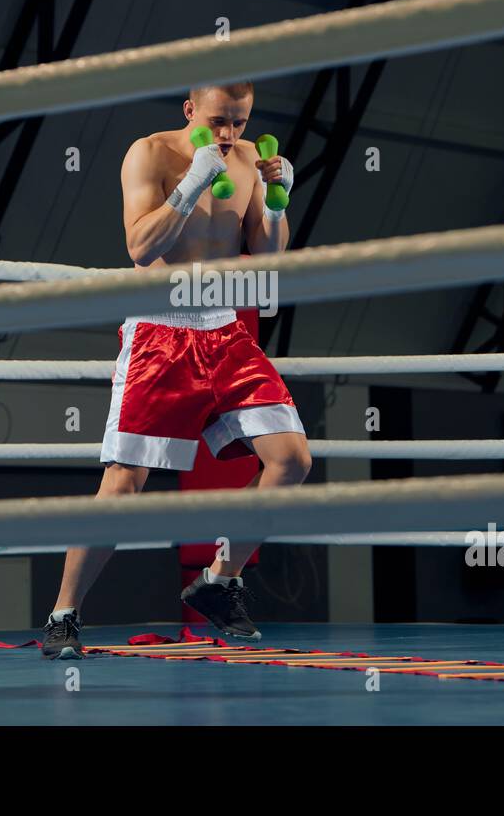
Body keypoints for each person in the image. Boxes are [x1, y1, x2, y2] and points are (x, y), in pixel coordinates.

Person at [43, 82, 312, 659]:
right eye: (217, 120)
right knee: (123, 485)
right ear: (190, 109)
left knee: (292, 460)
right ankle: (64, 614)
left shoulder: (247, 160)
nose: (228, 134)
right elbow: (139, 246)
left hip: (225, 329)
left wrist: (278, 197)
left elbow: (267, 259)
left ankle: (220, 578)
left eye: (238, 122)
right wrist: (189, 185)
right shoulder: (150, 153)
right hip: (160, 333)